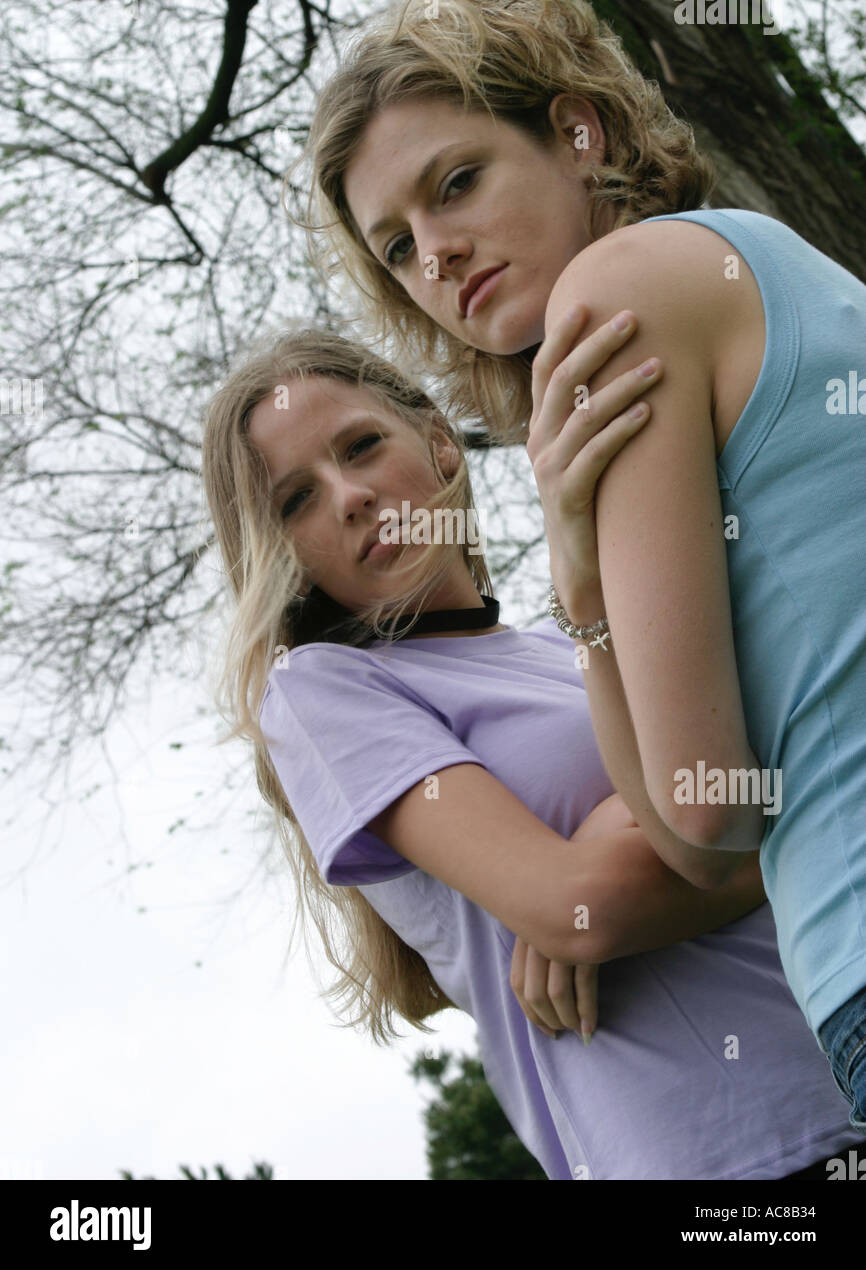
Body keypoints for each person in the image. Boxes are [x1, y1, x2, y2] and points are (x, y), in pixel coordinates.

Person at [296, 0, 866, 1139]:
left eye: (455, 184)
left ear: (575, 128)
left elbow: (702, 827)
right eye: (399, 247)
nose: (437, 255)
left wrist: (578, 576)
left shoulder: (620, 295)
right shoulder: (758, 261)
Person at [200, 323, 862, 1180]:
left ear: (440, 444)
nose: (350, 495)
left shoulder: (576, 648)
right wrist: (613, 870)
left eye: (361, 446)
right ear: (283, 555)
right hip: (729, 1164)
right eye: (295, 499)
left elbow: (811, 778)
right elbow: (590, 900)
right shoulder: (322, 690)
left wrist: (613, 850)